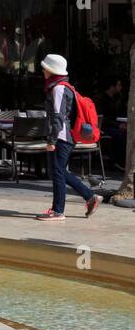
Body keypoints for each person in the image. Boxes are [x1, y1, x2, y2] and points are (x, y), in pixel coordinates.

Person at [36, 53, 100, 221]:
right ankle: (90, 197)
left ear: (51, 70)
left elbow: (58, 116)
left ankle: (58, 211)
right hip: (65, 136)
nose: (43, 70)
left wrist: (52, 140)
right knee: (58, 172)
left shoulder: (58, 88)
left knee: (57, 172)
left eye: (45, 68)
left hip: (61, 137)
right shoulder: (63, 86)